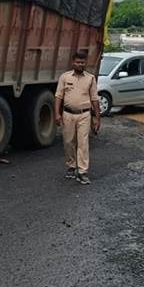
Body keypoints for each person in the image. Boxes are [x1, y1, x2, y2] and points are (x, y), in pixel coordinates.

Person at [55, 50, 101, 185]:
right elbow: (58, 96)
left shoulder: (90, 78)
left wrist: (97, 118)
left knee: (83, 143)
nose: (80, 65)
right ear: (73, 63)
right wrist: (56, 114)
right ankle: (71, 166)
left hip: (84, 115)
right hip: (68, 114)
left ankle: (82, 172)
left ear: (85, 63)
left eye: (82, 62)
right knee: (68, 142)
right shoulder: (65, 77)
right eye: (78, 62)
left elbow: (94, 99)